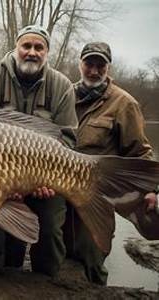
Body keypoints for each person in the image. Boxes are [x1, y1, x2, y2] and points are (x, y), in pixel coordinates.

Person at [0, 24, 78, 275]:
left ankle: (46, 279)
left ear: (47, 52)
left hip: (47, 175)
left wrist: (44, 178)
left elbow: (69, 139)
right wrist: (7, 180)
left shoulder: (61, 86)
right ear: (16, 48)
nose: (32, 52)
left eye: (39, 47)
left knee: (50, 228)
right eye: (26, 46)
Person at [64, 42, 153, 285]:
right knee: (56, 253)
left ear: (107, 67)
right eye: (89, 64)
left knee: (92, 252)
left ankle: (97, 286)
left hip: (96, 190)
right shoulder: (64, 94)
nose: (93, 71)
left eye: (100, 65)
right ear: (80, 64)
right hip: (59, 185)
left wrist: (152, 190)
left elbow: (140, 151)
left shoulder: (124, 103)